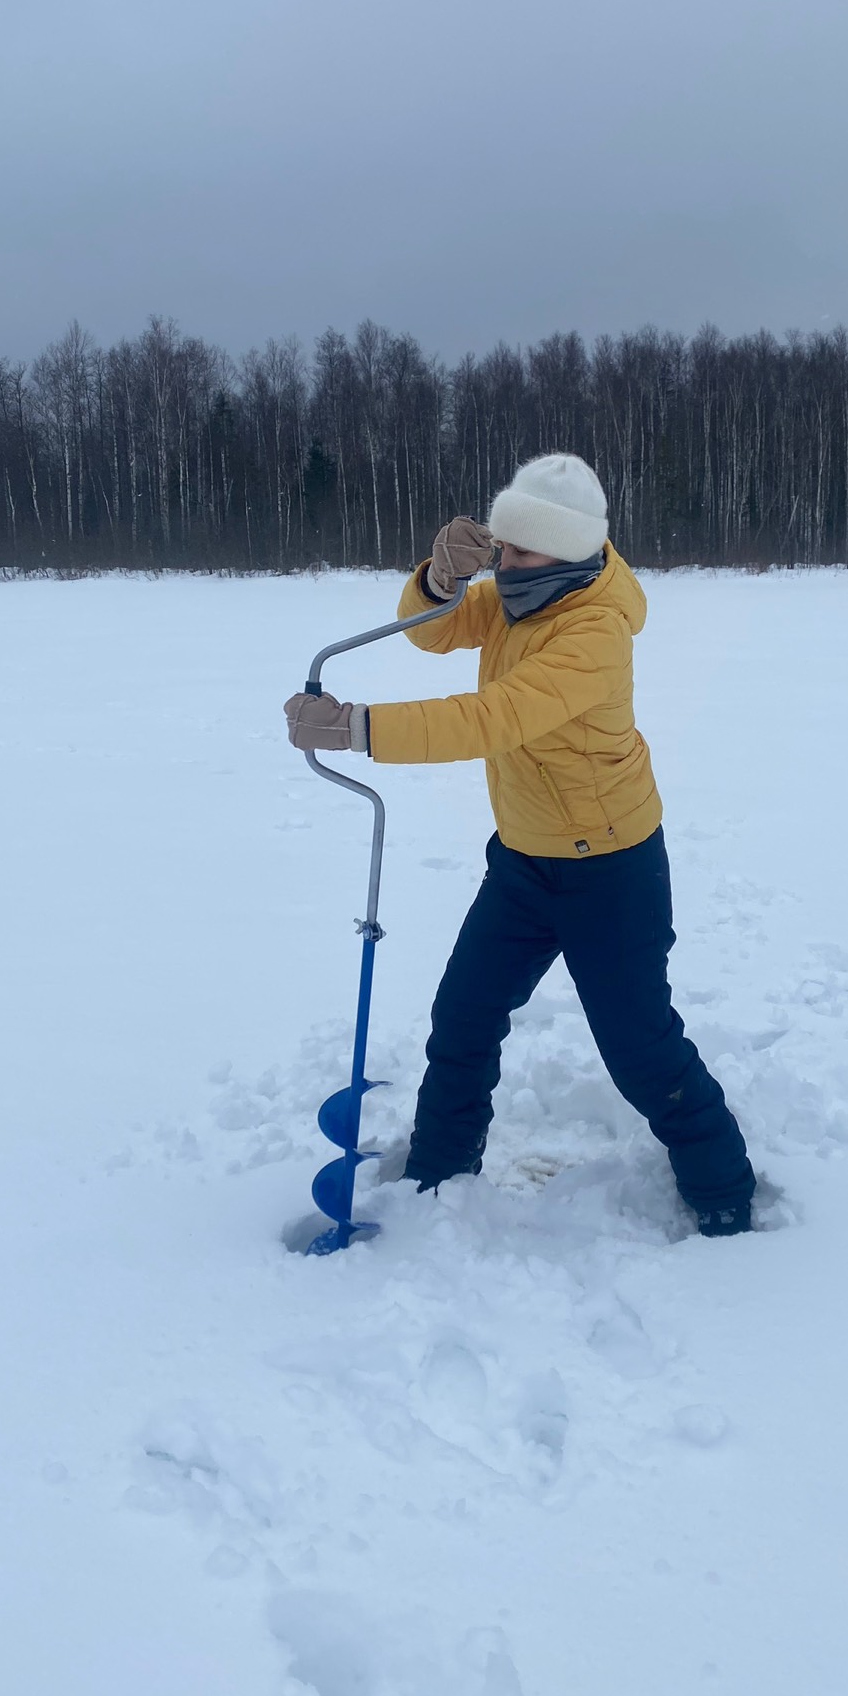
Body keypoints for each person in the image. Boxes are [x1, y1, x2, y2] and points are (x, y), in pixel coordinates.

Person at [285, 453, 757, 1237]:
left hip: (610, 870)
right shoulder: (517, 594)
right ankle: (436, 1176)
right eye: (500, 547)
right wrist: (438, 580)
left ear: (569, 550)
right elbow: (433, 634)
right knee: (463, 1018)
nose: (503, 564)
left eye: (520, 550)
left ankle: (724, 1190)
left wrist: (359, 728)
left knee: (641, 1048)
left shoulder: (594, 631)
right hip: (523, 861)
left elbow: (494, 717)